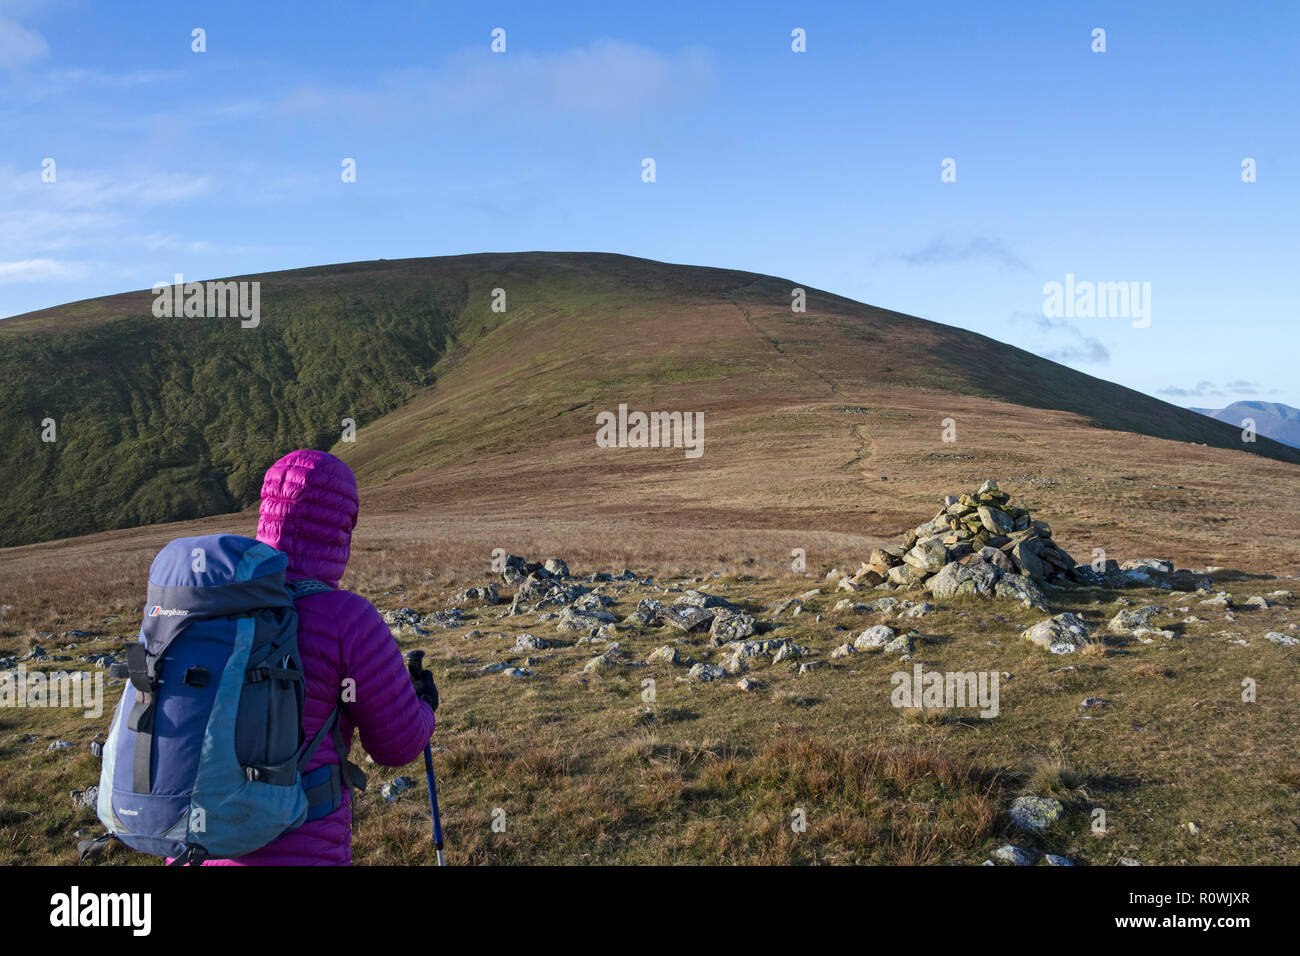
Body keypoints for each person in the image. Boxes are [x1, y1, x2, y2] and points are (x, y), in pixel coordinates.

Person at [203, 448, 436, 865]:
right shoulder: (346, 618)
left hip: (197, 846)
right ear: (342, 526)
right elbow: (396, 746)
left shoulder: (212, 602)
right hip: (299, 847)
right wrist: (425, 707)